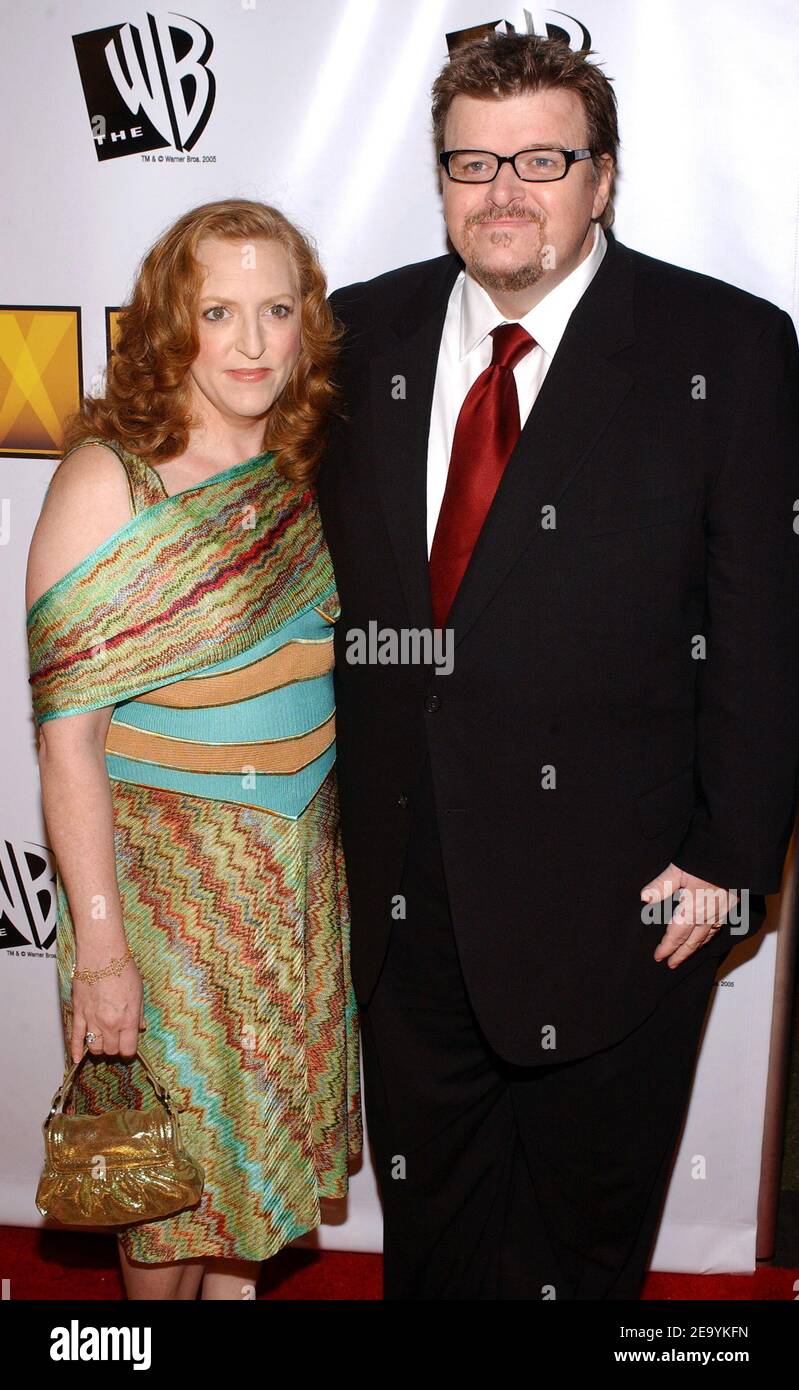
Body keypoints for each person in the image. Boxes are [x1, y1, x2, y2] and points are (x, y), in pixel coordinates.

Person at [316, 33, 799, 1298]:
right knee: (434, 1248)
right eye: (471, 162)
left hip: (625, 906)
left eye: (542, 158)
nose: (504, 192)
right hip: (406, 898)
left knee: (576, 1259)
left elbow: (763, 627)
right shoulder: (355, 334)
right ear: (439, 177)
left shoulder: (727, 347)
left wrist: (733, 863)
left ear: (603, 177)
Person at [25, 198, 362, 1300]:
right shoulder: (106, 482)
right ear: (174, 325)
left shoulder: (304, 473)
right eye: (221, 312)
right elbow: (68, 743)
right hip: (163, 907)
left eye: (278, 310)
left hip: (290, 882)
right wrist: (106, 955)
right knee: (164, 1206)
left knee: (251, 1200)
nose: (256, 344)